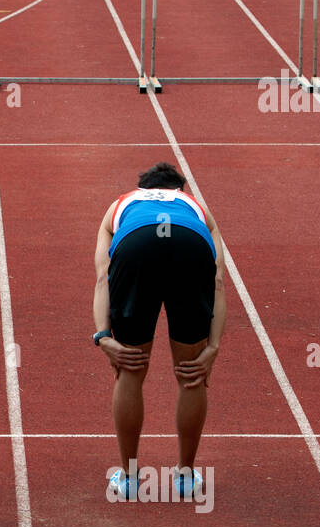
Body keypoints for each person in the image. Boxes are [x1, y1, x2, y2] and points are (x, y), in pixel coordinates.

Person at [93, 162, 225, 499]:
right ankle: (185, 476)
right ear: (179, 189)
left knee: (130, 370)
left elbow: (102, 276)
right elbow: (219, 280)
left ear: (142, 186)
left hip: (137, 241)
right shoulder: (197, 207)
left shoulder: (120, 204)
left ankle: (130, 478)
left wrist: (103, 336)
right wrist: (212, 347)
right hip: (189, 240)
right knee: (191, 372)